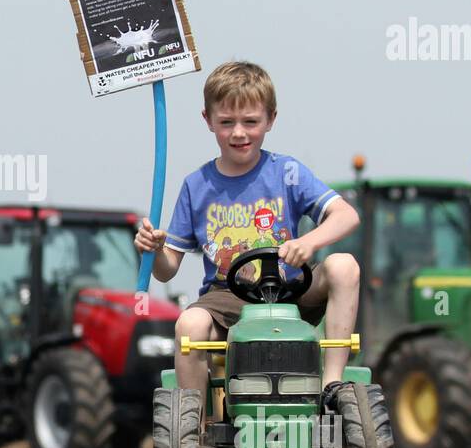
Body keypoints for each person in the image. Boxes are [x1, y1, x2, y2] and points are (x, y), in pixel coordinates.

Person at [134, 61, 362, 409]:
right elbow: (167, 270)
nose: (238, 133)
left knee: (345, 265)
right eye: (226, 122)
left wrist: (308, 242)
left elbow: (346, 215)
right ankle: (196, 431)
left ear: (270, 119)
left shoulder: (286, 172)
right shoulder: (197, 186)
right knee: (188, 324)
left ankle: (333, 383)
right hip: (228, 299)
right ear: (207, 119)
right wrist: (153, 250)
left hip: (291, 294)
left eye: (250, 122)